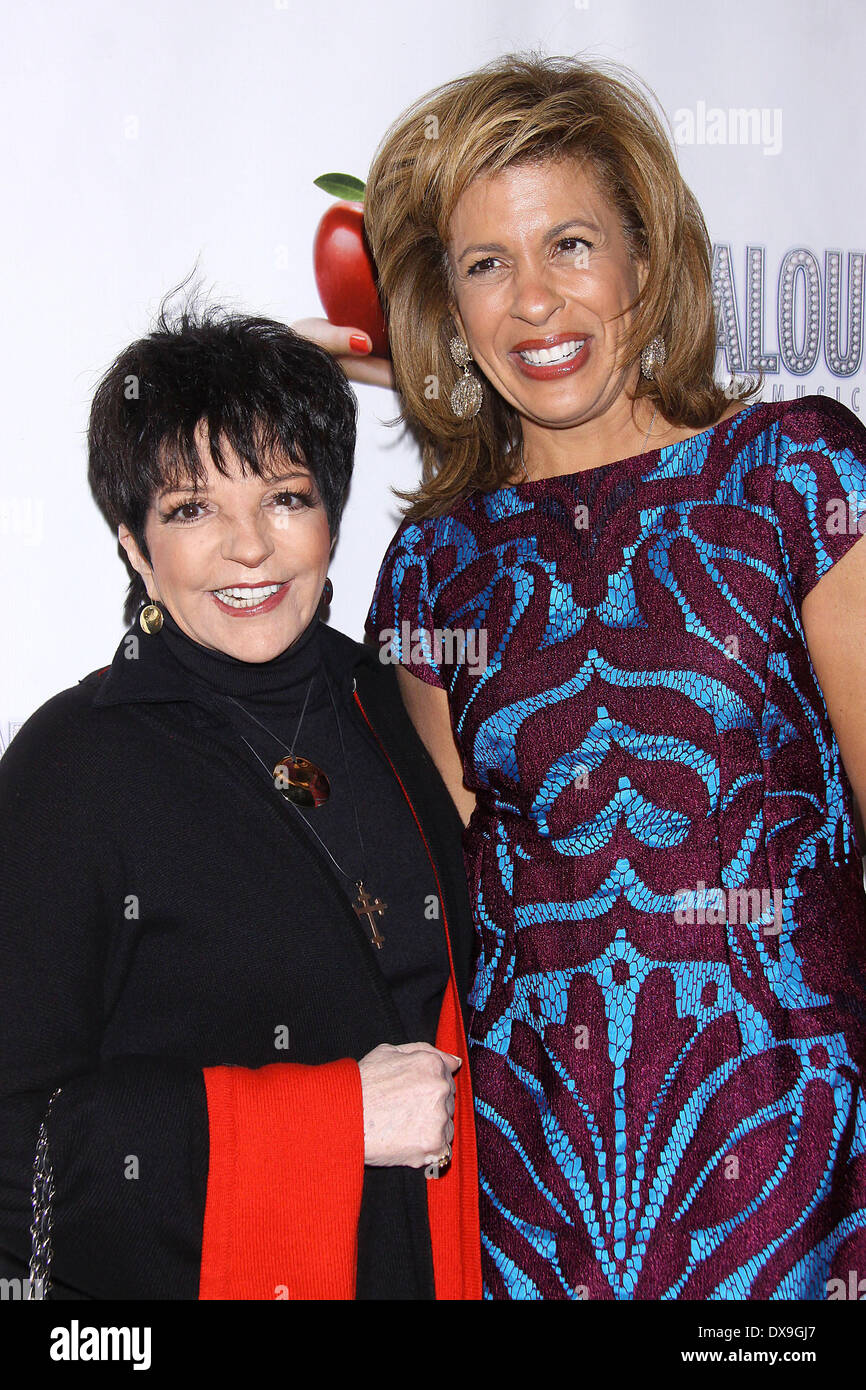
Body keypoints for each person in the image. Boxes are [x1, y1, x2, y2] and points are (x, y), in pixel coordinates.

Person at [301, 54, 866, 1299]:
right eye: (483, 265)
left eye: (569, 245)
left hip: (797, 1182)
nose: (535, 304)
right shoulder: (441, 562)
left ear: (646, 265)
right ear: (444, 305)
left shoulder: (795, 479)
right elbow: (429, 890)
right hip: (530, 1196)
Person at [0, 304, 482, 1300]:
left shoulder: (399, 707)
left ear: (333, 518)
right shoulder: (74, 764)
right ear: (134, 546)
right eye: (190, 509)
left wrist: (446, 381)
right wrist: (329, 1122)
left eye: (285, 497)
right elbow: (18, 1145)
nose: (248, 548)